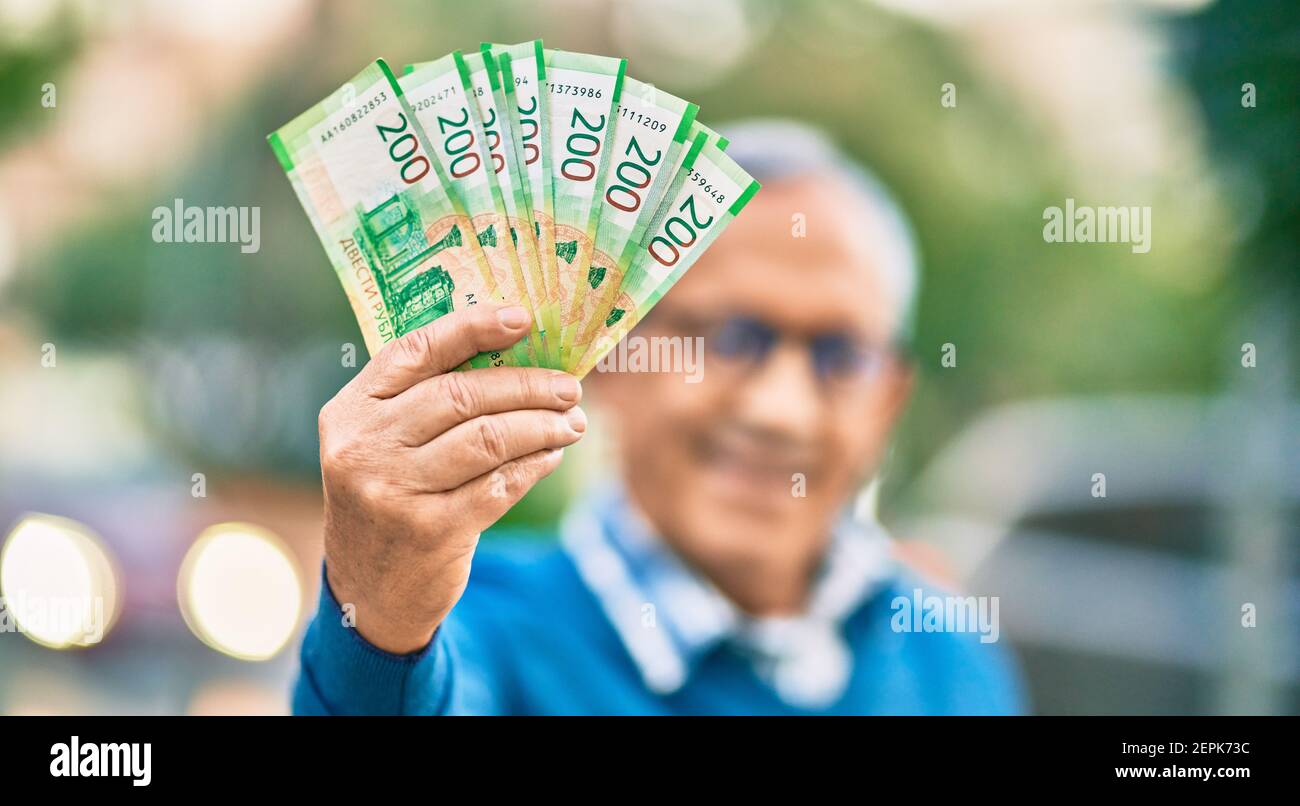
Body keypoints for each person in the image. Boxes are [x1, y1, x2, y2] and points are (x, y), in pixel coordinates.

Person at [294, 120, 1025, 715]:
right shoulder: (470, 626)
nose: (782, 410)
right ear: (611, 349)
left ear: (889, 397)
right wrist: (382, 616)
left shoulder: (948, 652)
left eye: (839, 354)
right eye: (734, 339)